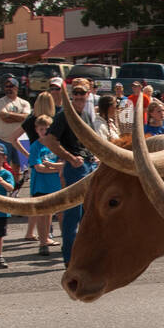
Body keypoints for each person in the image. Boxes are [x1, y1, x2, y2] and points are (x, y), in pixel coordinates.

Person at [51, 83, 100, 266]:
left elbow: (91, 140)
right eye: (76, 93)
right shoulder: (64, 114)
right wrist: (70, 158)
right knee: (72, 214)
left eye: (82, 93)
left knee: (88, 215)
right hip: (76, 168)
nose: (79, 96)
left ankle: (84, 257)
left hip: (89, 166)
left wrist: (95, 155)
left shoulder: (86, 114)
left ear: (88, 94)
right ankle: (69, 259)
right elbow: (49, 139)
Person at [29, 116, 65, 256]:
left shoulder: (56, 145)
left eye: (46, 129)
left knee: (61, 214)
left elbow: (64, 163)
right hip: (41, 185)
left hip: (56, 184)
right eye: (41, 129)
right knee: (42, 214)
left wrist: (52, 166)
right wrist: (56, 168)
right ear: (36, 130)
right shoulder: (35, 146)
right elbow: (38, 167)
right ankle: (43, 243)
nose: (44, 131)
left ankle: (66, 241)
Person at [0, 78, 32, 172]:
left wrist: (8, 114)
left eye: (11, 86)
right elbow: (3, 117)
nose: (8, 89)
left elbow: (26, 118)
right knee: (3, 166)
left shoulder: (24, 103)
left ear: (17, 88)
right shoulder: (1, 102)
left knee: (18, 166)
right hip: (4, 140)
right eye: (6, 86)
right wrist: (19, 117)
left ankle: (16, 185)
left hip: (20, 140)